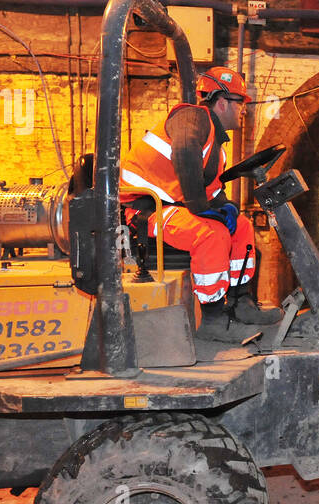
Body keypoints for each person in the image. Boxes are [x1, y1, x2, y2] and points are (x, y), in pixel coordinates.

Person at [120, 65, 282, 345]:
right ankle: (213, 320)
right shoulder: (192, 118)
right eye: (240, 103)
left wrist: (225, 206)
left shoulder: (215, 145)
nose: (243, 110)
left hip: (173, 206)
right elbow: (184, 154)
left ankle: (240, 302)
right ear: (221, 102)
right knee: (211, 234)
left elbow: (211, 188)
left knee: (241, 226)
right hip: (146, 208)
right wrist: (201, 208)